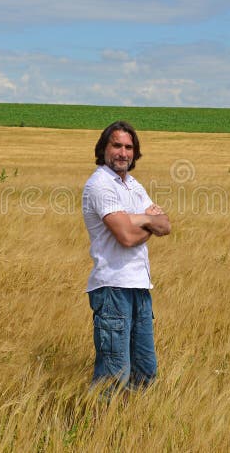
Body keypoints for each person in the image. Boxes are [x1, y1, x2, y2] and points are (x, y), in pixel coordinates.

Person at [81, 120, 171, 393]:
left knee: (145, 373)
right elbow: (127, 237)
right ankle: (99, 430)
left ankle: (131, 430)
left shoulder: (132, 185)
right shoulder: (100, 185)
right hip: (112, 288)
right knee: (113, 375)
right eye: (117, 145)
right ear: (103, 148)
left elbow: (165, 225)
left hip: (139, 288)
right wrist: (148, 221)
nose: (123, 153)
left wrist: (136, 220)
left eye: (129, 147)